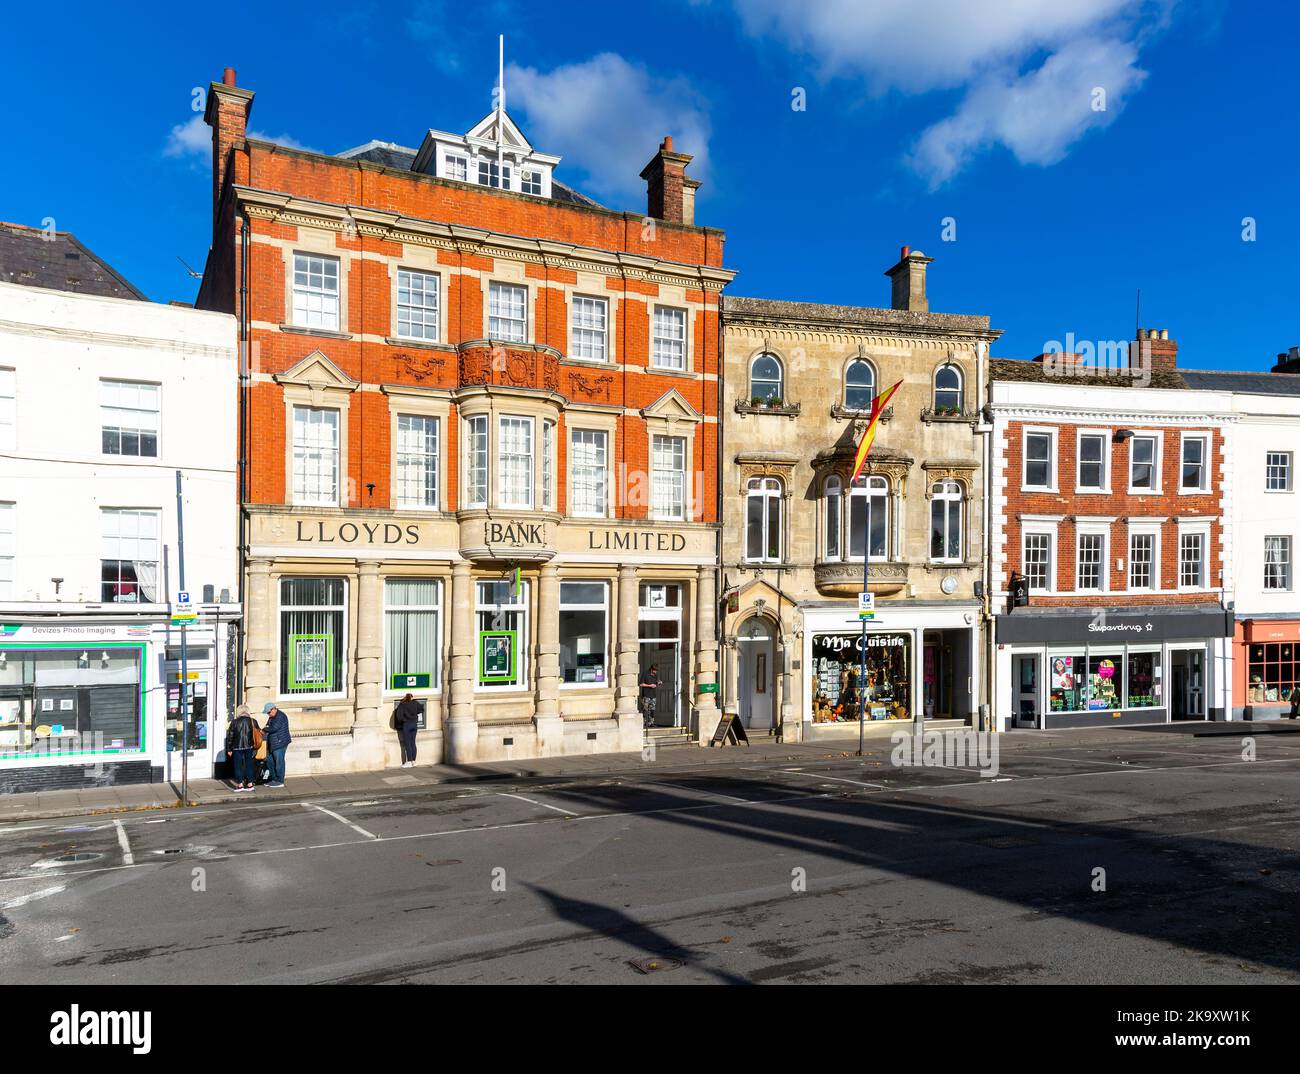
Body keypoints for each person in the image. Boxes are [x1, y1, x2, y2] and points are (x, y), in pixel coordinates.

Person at [225, 706, 258, 792]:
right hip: (249, 746)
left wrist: (229, 749)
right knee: (249, 765)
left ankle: (240, 785)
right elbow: (258, 733)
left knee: (238, 766)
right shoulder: (253, 721)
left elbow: (230, 737)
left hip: (237, 747)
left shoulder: (234, 722)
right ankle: (250, 784)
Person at [262, 702, 291, 787]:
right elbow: (268, 725)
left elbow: (274, 728)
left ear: (274, 709)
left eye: (268, 712)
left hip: (280, 743)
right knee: (270, 761)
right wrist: (266, 728)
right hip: (273, 743)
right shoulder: (272, 717)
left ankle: (280, 781)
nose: (268, 714)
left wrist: (264, 730)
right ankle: (274, 779)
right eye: (267, 713)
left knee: (279, 762)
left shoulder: (280, 716)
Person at [394, 693, 422, 767]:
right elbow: (422, 709)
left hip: (407, 725)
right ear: (411, 697)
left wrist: (403, 720)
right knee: (413, 742)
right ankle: (414, 761)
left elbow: (399, 716)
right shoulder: (415, 703)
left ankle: (409, 761)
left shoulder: (402, 704)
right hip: (414, 725)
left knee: (407, 743)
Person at [638, 664, 661, 729]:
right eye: (655, 670)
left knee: (652, 710)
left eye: (656, 671)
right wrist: (650, 685)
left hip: (653, 695)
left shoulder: (655, 675)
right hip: (646, 695)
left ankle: (651, 723)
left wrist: (658, 683)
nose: (656, 672)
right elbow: (641, 684)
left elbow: (655, 683)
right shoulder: (645, 674)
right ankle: (644, 723)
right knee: (645, 709)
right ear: (651, 669)